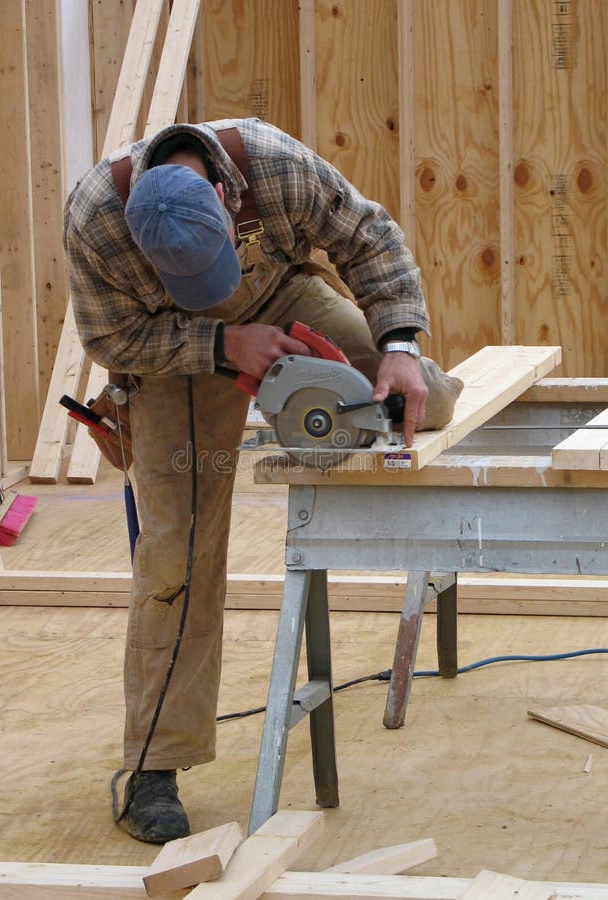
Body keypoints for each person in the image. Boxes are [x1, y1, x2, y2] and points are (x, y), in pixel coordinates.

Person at [63, 116, 462, 843]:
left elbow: (368, 237)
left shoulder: (273, 163)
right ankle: (153, 766)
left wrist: (399, 343)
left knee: (418, 401)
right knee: (177, 548)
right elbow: (112, 336)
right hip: (174, 347)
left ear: (225, 194)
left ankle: (412, 370)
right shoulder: (96, 219)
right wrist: (223, 341)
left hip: (278, 294)